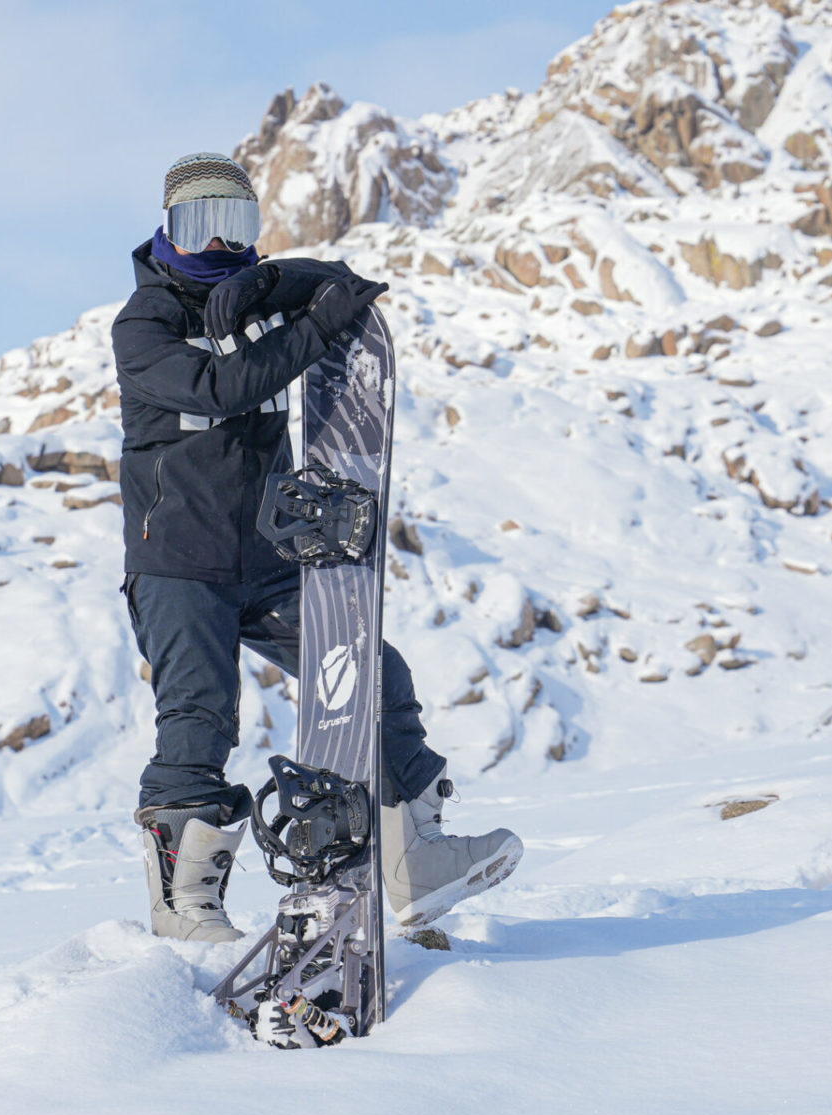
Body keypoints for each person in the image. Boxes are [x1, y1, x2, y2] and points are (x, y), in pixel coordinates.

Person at [111, 152, 523, 944]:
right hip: (178, 565)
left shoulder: (249, 297)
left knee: (373, 668)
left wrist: (273, 283)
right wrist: (311, 324)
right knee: (199, 719)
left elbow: (344, 280)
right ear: (167, 230)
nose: (219, 241)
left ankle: (418, 862)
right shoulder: (144, 324)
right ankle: (183, 900)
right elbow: (218, 390)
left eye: (237, 224)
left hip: (268, 557)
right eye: (201, 224)